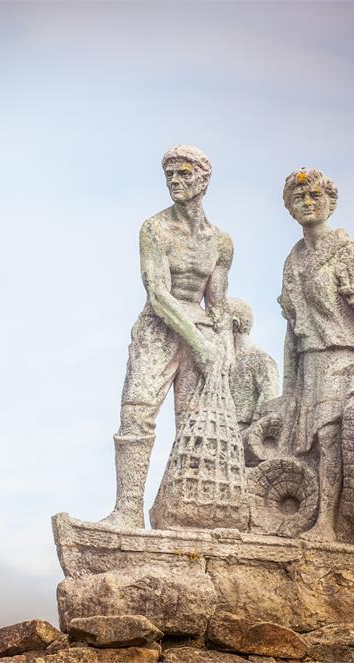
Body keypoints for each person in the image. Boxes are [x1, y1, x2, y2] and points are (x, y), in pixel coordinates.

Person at [99, 145, 234, 529]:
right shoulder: (155, 228)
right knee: (136, 413)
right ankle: (128, 510)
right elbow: (159, 295)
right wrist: (201, 343)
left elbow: (219, 303)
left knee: (194, 426)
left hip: (203, 335)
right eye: (170, 175)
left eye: (184, 174)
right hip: (161, 330)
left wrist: (224, 347)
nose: (175, 181)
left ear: (204, 180)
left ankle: (178, 514)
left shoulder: (221, 242)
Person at [275, 167, 354, 541]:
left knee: (330, 439)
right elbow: (290, 328)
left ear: (330, 203)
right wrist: (287, 386)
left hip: (347, 359)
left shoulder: (346, 250)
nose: (308, 203)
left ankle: (328, 524)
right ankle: (318, 518)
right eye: (299, 198)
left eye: (315, 196)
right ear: (290, 208)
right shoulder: (293, 260)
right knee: (309, 444)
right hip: (311, 362)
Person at [227, 297, 279, 436]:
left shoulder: (260, 359)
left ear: (234, 324)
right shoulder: (225, 360)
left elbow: (269, 404)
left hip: (242, 436)